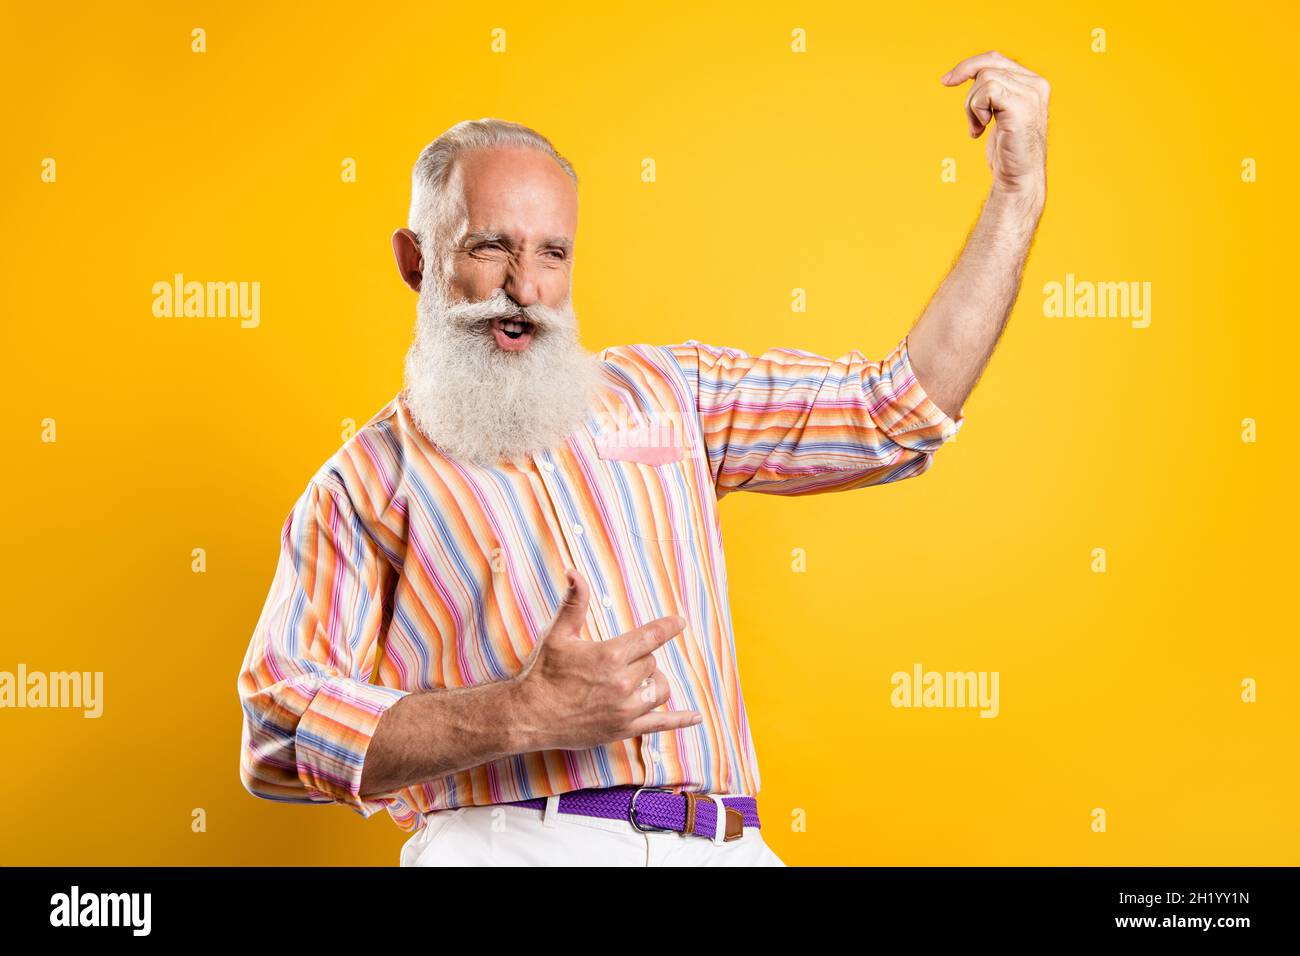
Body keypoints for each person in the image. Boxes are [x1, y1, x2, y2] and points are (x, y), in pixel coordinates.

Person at [236, 49, 1050, 866]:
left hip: (724, 843)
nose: (526, 286)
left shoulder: (671, 392)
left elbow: (896, 413)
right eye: (490, 247)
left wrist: (1016, 197)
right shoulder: (362, 484)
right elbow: (276, 729)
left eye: (552, 253)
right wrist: (518, 714)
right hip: (514, 847)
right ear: (415, 262)